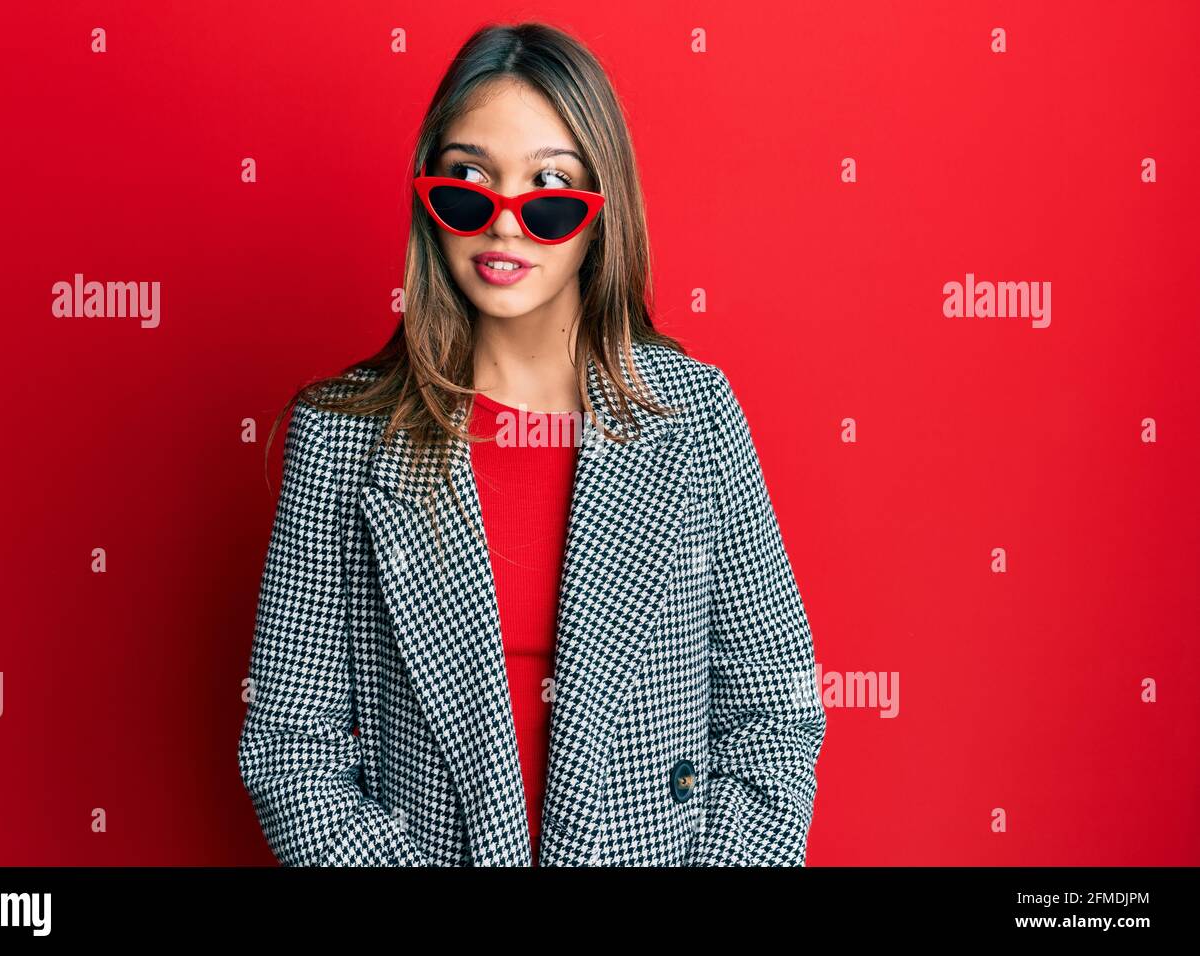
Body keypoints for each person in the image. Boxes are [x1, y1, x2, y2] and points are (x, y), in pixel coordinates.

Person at [237, 21, 826, 867]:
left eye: (549, 188)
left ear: (600, 214)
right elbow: (292, 747)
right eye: (469, 181)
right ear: (430, 201)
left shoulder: (694, 419)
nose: (505, 225)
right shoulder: (343, 437)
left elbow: (776, 713)